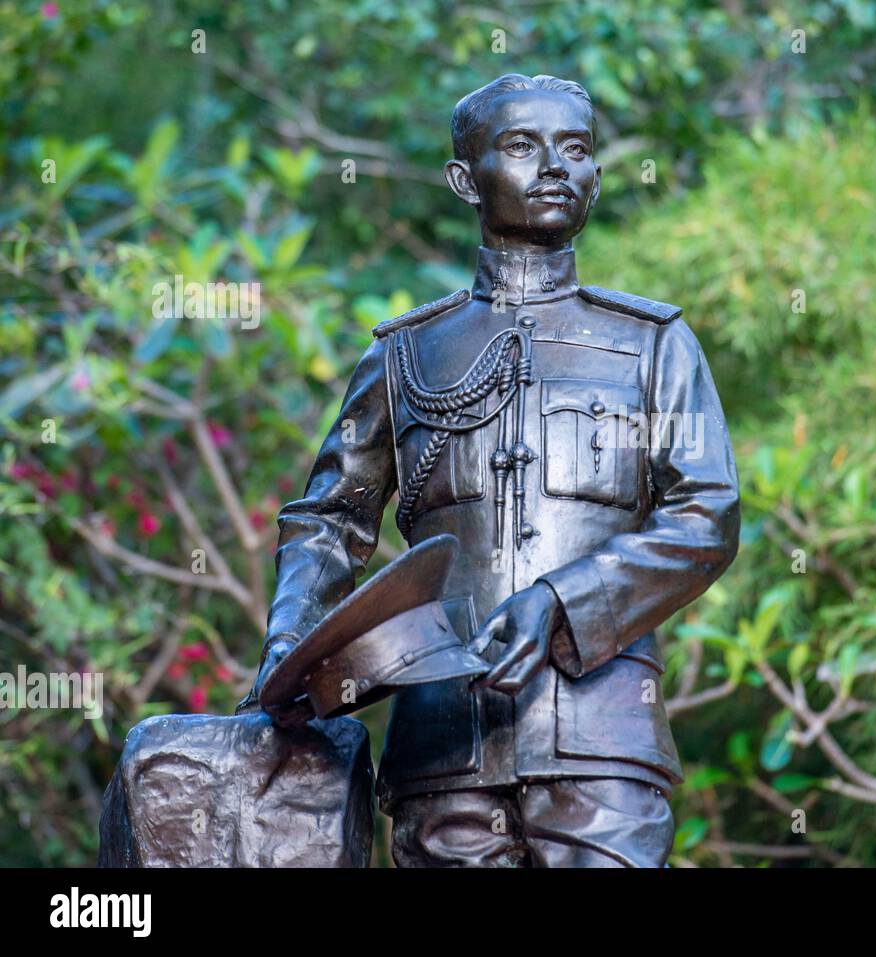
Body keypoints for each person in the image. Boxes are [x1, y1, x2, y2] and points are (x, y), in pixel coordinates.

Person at [246, 73, 740, 867]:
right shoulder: (404, 352)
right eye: (522, 146)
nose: (555, 167)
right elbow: (329, 519)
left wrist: (562, 602)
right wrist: (287, 646)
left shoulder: (654, 344)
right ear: (462, 179)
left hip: (603, 747)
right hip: (440, 751)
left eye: (576, 150)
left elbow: (705, 517)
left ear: (597, 177)